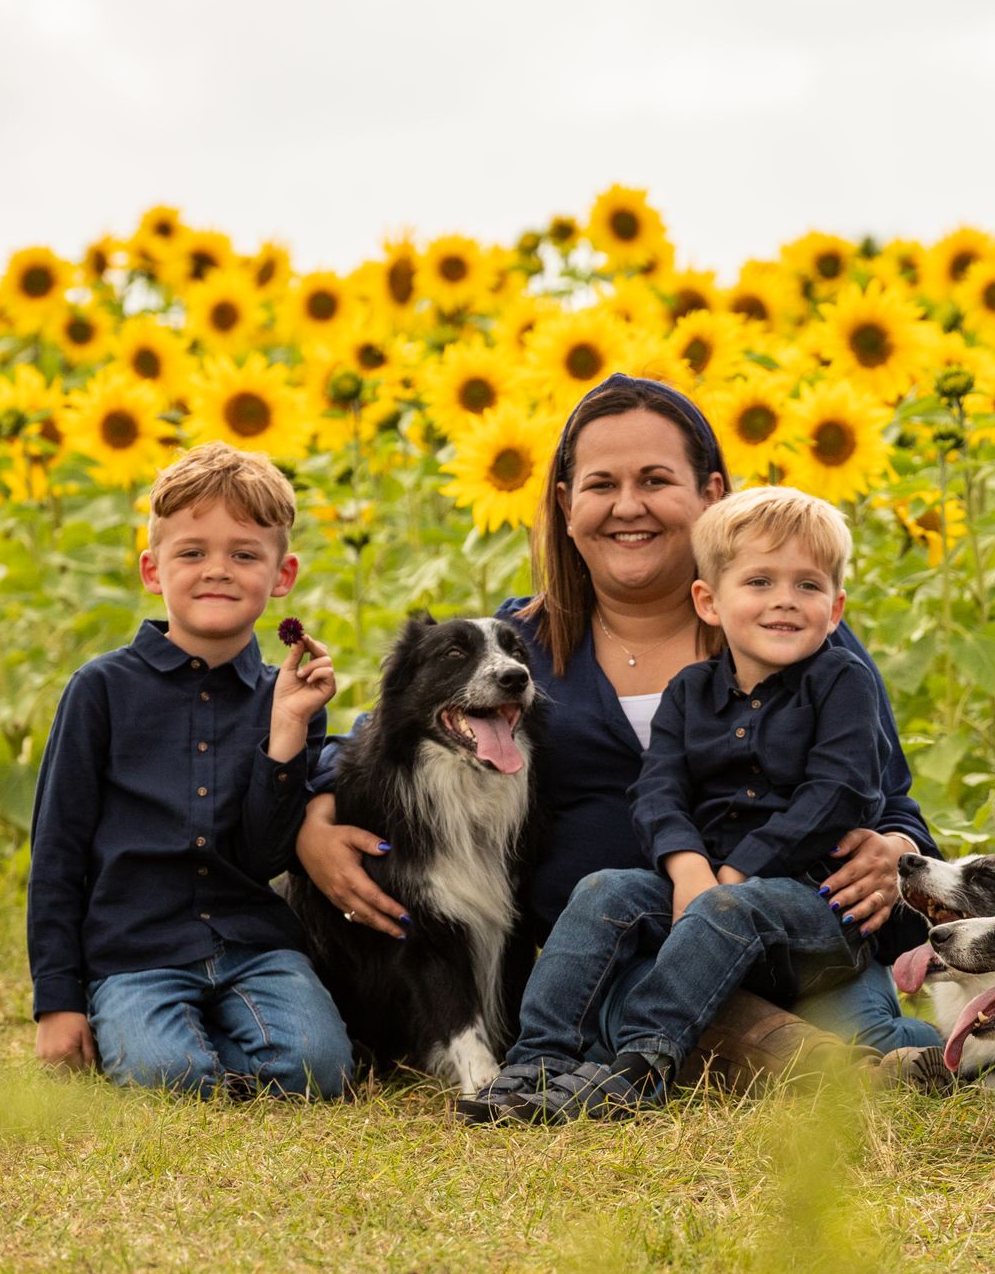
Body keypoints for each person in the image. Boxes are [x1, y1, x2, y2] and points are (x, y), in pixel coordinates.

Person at [293, 374, 938, 1066]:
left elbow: (892, 795)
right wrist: (314, 820)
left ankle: (859, 1058)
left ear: (711, 494)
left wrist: (894, 849)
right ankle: (813, 1063)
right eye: (602, 485)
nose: (628, 506)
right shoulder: (519, 645)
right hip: (620, 952)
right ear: (567, 506)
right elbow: (388, 731)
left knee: (870, 1037)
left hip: (801, 937)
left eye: (657, 480)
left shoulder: (796, 633)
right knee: (715, 1024)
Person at [461, 485, 892, 1122]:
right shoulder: (690, 690)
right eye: (760, 582)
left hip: (813, 910)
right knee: (604, 890)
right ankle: (538, 1061)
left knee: (726, 910)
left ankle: (641, 1068)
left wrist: (737, 873)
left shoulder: (841, 681)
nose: (784, 600)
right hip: (705, 899)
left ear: (836, 610)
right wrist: (686, 863)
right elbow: (658, 788)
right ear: (709, 601)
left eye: (808, 586)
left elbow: (839, 792)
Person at [27, 441, 352, 1098]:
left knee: (319, 1067)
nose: (218, 570)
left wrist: (287, 729)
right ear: (152, 569)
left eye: (244, 553)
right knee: (164, 1073)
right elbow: (57, 852)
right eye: (193, 552)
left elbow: (265, 852)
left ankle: (208, 1051)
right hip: (135, 948)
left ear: (282, 574)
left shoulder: (288, 697)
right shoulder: (100, 690)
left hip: (255, 945)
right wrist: (57, 1002)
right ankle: (170, 1045)